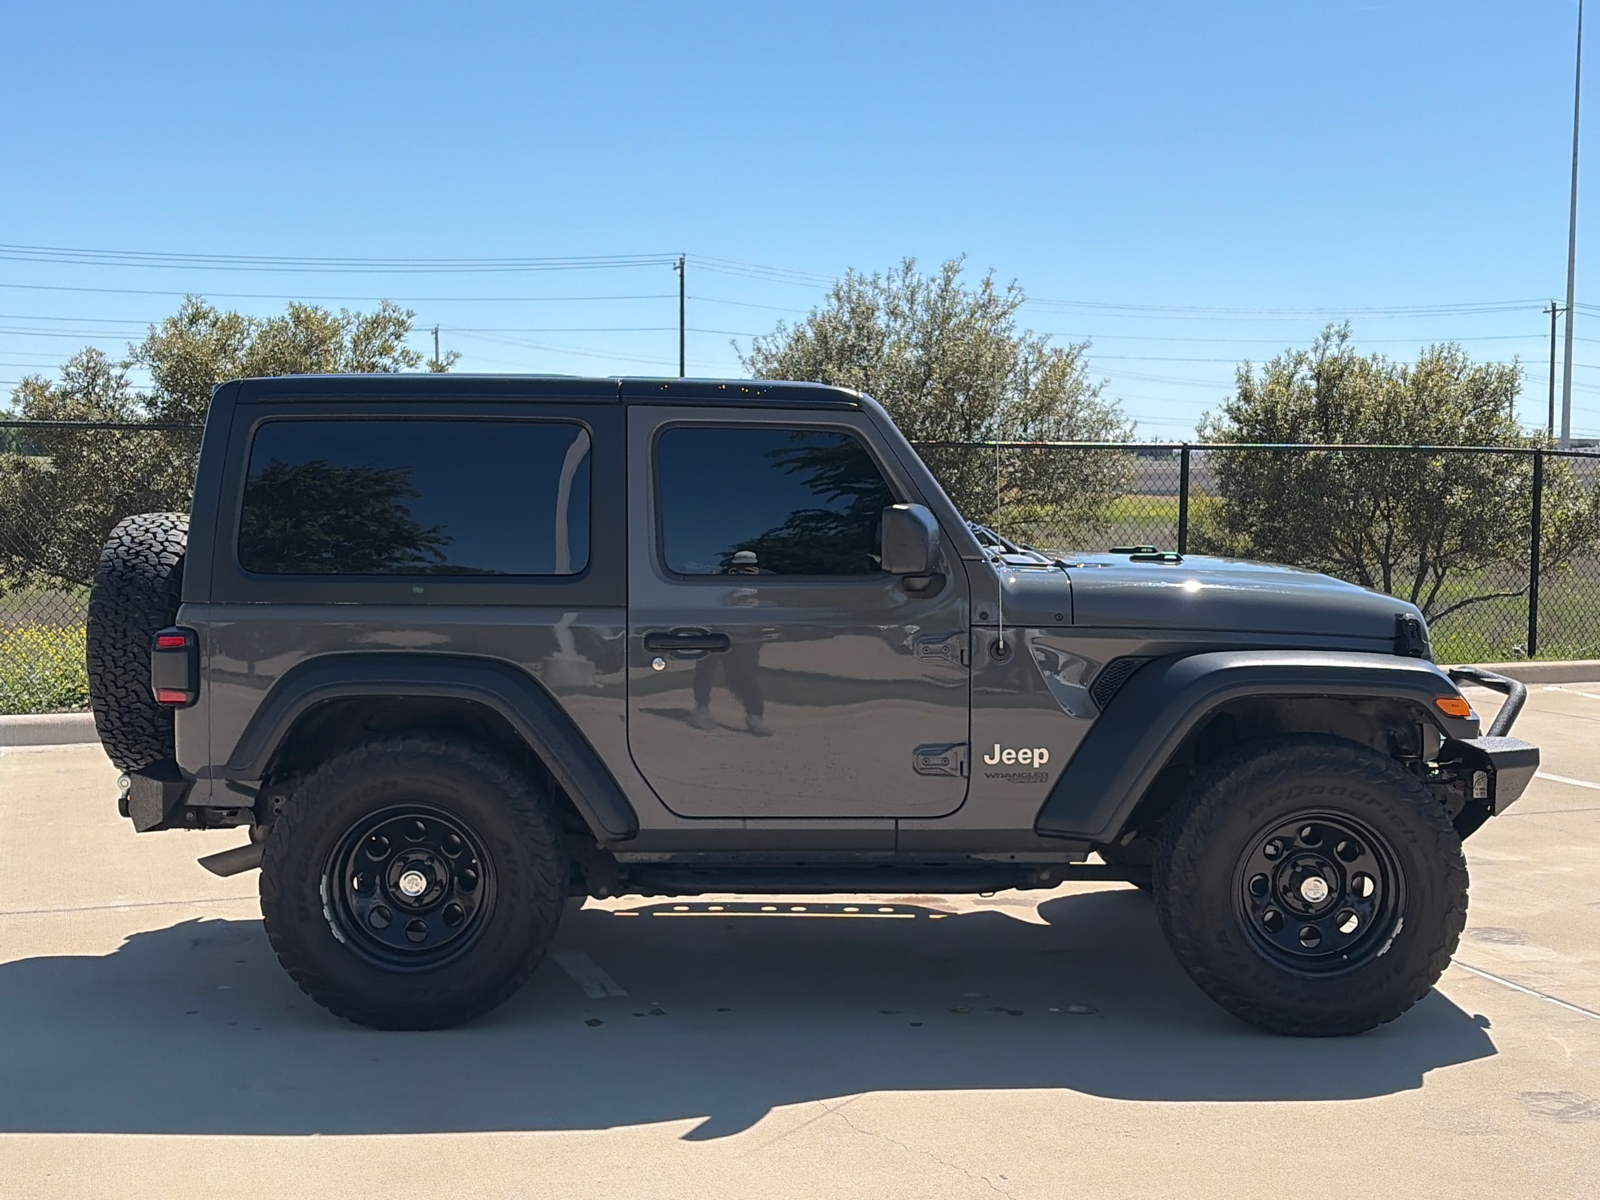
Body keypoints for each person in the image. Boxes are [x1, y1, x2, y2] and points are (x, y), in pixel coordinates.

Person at [690, 549, 771, 735]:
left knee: (747, 676)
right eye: (738, 567)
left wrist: (760, 578)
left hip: (749, 637)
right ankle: (701, 709)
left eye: (748, 567)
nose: (743, 571)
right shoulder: (722, 581)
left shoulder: (767, 581)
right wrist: (727, 582)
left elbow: (776, 599)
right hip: (719, 633)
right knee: (704, 670)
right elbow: (710, 602)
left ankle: (755, 716)